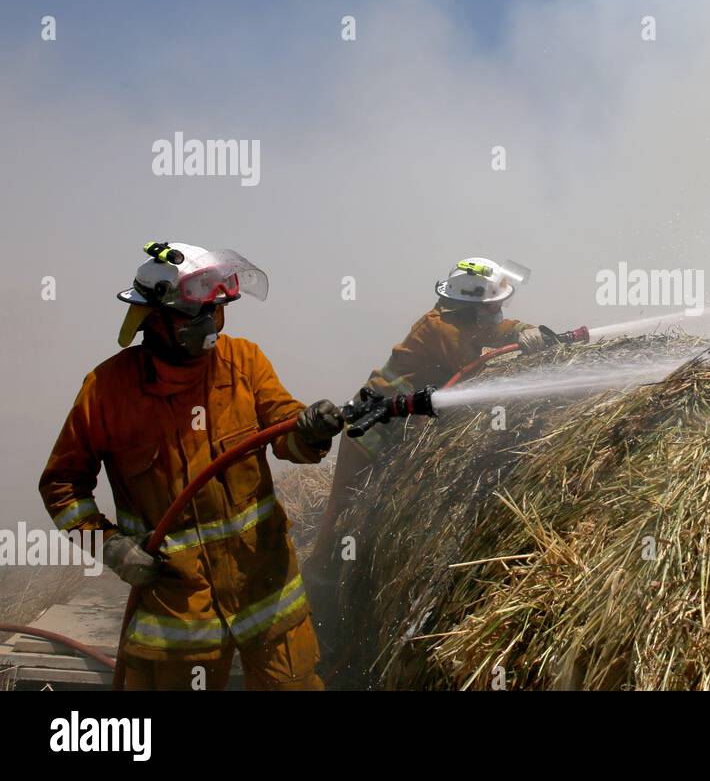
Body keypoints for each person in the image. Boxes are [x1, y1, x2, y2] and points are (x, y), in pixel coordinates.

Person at [39, 242, 345, 690]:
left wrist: (311, 430)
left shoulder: (244, 362)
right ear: (153, 319)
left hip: (266, 595)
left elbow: (285, 435)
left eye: (216, 314)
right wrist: (111, 547)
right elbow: (62, 485)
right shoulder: (107, 391)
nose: (210, 329)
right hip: (177, 616)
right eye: (196, 316)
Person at [305, 257, 547, 577]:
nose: (497, 311)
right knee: (342, 515)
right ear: (470, 305)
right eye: (492, 306)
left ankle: (355, 571)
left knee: (375, 514)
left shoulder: (464, 320)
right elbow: (477, 376)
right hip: (371, 431)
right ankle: (319, 575)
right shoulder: (443, 329)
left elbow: (495, 330)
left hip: (403, 427)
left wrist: (522, 330)